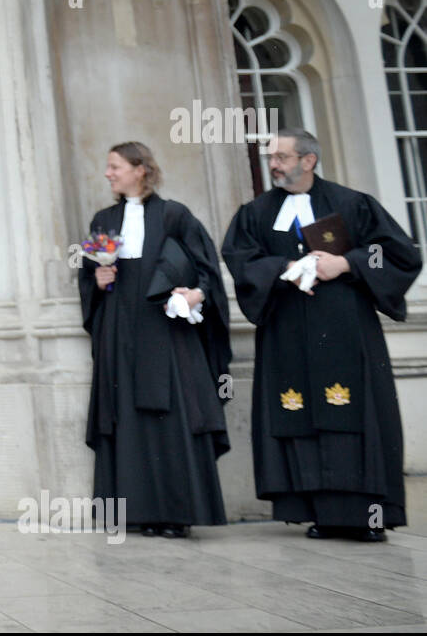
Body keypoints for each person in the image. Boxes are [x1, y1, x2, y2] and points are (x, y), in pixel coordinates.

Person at [222, 128, 422, 541]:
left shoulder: (353, 204)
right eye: (271, 158)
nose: (273, 164)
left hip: (345, 328)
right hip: (287, 330)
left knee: (353, 413)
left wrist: (346, 264)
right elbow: (241, 259)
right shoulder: (256, 213)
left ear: (308, 160)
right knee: (299, 414)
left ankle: (368, 519)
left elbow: (398, 252)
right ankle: (318, 514)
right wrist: (284, 270)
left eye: (281, 157)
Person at [78, 142, 233, 538]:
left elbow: (207, 271)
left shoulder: (174, 216)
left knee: (172, 415)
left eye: (115, 166)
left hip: (166, 331)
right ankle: (139, 512)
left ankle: (177, 513)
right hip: (119, 331)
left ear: (140, 169)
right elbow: (90, 273)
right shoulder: (104, 220)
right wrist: (97, 280)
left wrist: (196, 294)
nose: (109, 174)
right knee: (126, 413)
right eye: (108, 167)